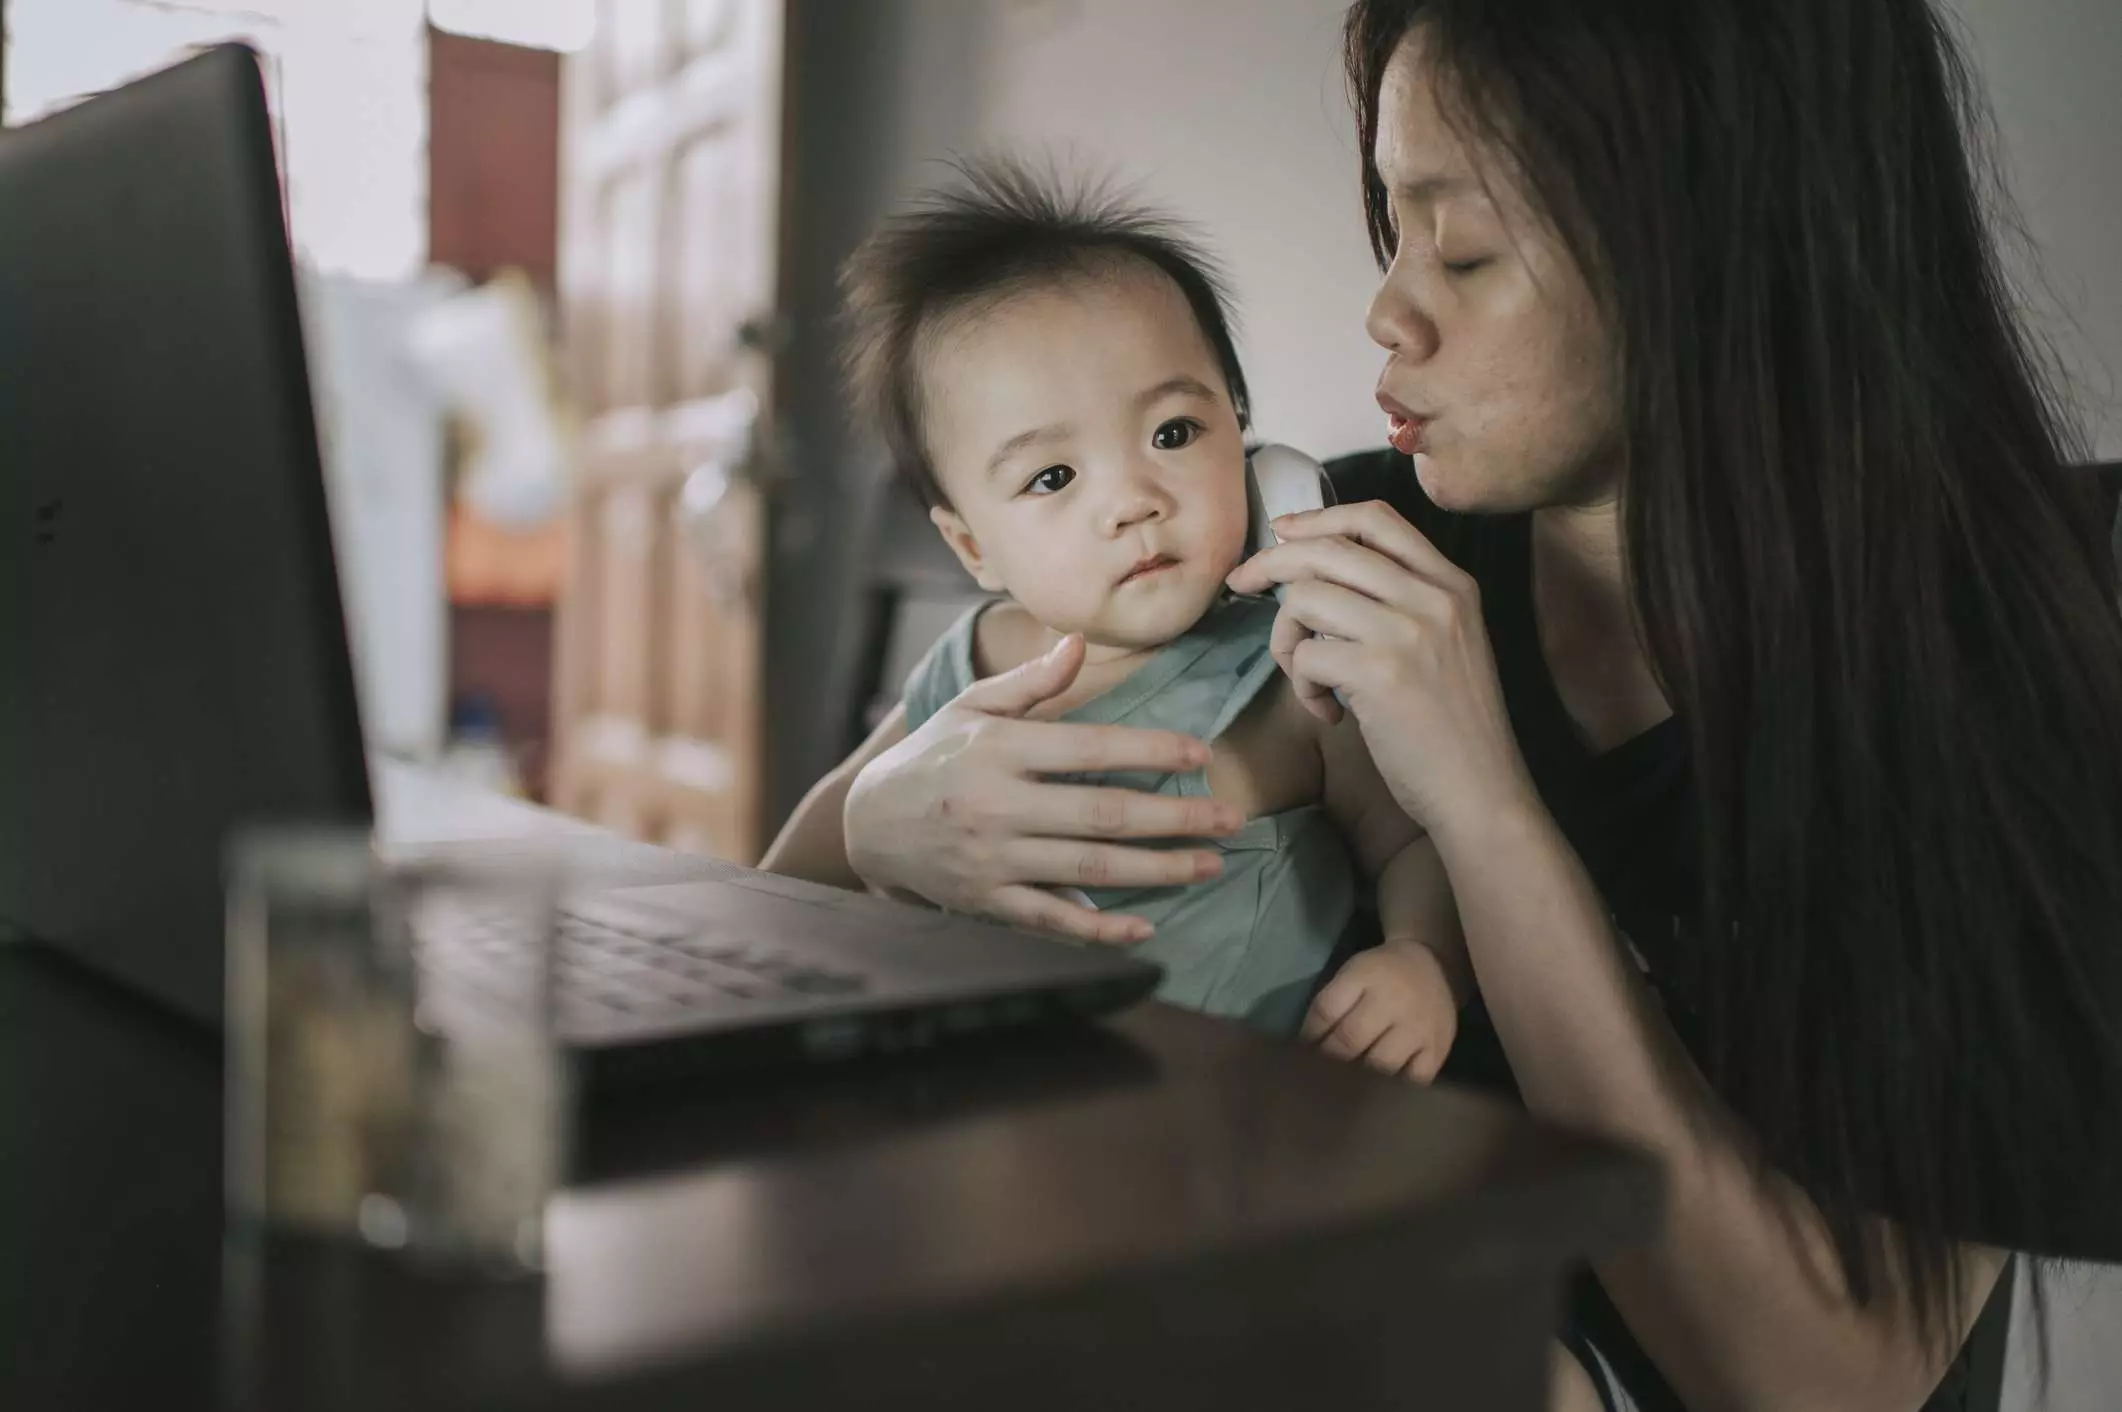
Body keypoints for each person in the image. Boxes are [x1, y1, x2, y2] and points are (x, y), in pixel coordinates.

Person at [824, 3, 2122, 1409]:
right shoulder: (1351, 543)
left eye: (1464, 245)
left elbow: (1826, 1384)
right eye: (1390, 222)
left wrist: (1484, 810)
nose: (1386, 308)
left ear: (1712, 250)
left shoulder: (2008, 652)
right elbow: (824, 849)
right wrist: (883, 814)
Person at [764, 161, 1470, 1070]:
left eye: (1173, 433)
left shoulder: (1297, 668)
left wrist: (1423, 965)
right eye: (1052, 477)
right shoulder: (972, 666)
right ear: (973, 547)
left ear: (1243, 432)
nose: (1134, 500)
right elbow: (797, 873)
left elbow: (1418, 840)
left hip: (1209, 1137)